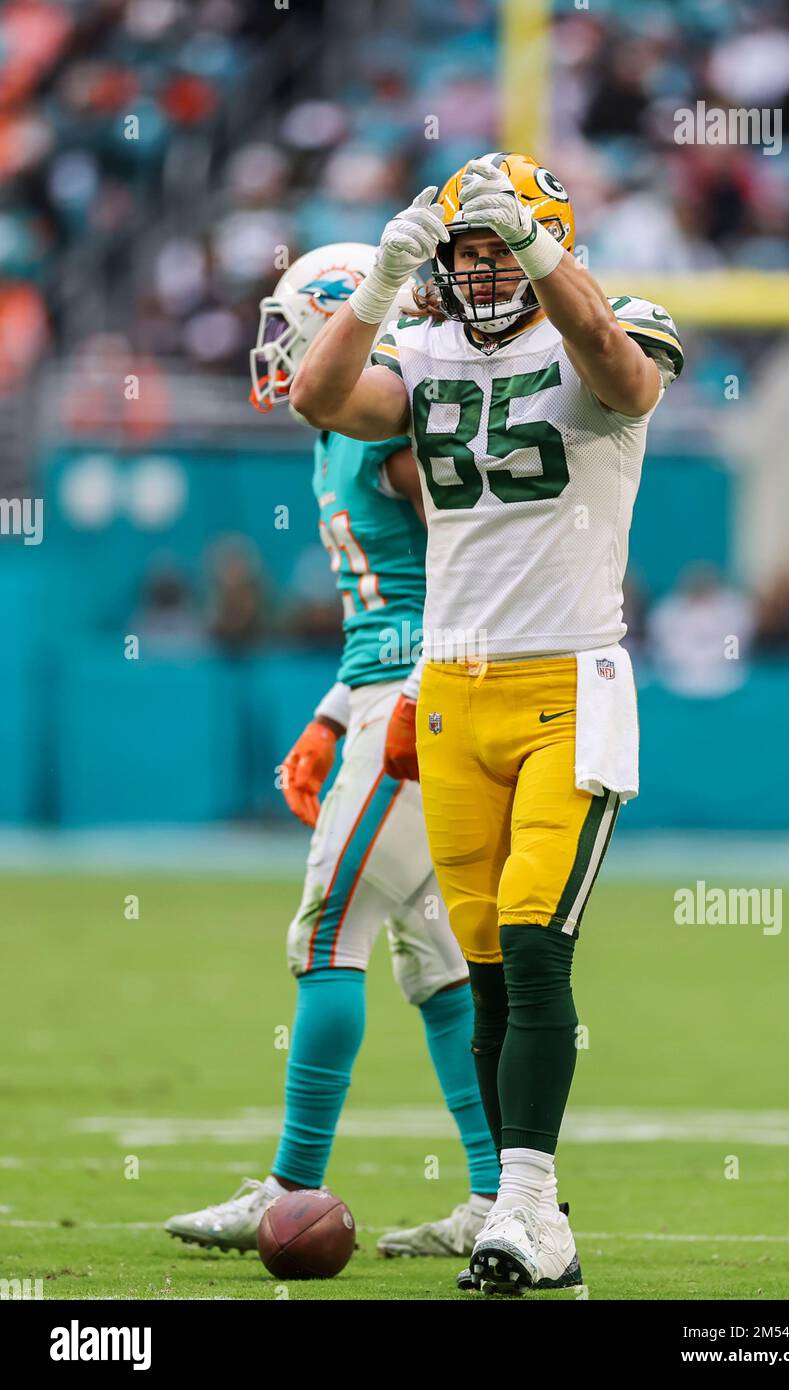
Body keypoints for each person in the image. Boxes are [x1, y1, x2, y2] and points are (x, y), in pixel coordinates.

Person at [290, 154, 684, 1294]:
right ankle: (527, 1210)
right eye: (466, 252)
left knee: (531, 935)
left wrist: (542, 251)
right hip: (453, 688)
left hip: (567, 678)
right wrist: (381, 285)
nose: (481, 269)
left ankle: (524, 1208)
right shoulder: (422, 348)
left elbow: (622, 375)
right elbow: (321, 400)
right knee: (484, 963)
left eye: (496, 246)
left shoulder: (611, 321)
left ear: (545, 241)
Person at [165, 243, 500, 1260]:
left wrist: (413, 694)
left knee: (325, 934)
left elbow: (475, 569)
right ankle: (497, 1200)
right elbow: (382, 599)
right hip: (384, 685)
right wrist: (331, 705)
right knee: (437, 958)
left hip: (419, 696)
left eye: (288, 322)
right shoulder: (335, 433)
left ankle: (289, 1184)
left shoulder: (392, 425)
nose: (277, 345)